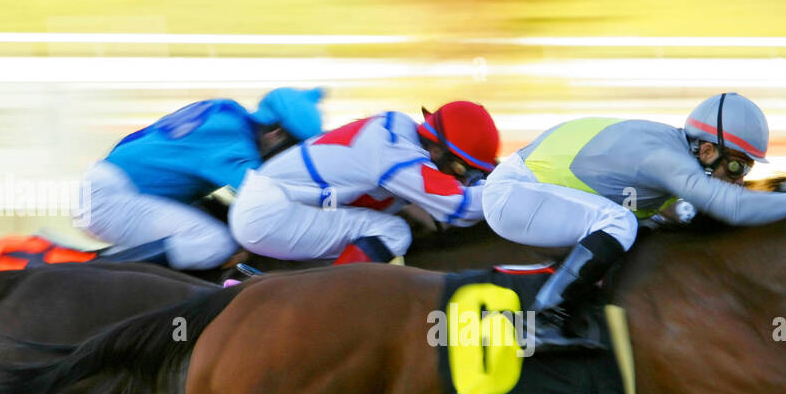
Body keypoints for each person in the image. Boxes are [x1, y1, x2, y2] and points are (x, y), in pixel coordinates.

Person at [482, 92, 786, 352]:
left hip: (536, 187)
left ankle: (575, 305)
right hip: (514, 196)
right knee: (620, 224)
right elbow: (733, 207)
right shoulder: (665, 157)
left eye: (748, 168)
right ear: (707, 150)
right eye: (738, 165)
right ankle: (541, 319)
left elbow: (688, 209)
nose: (741, 178)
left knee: (641, 225)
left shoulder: (675, 152)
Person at [75, 87, 325, 269]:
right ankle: (97, 271)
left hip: (113, 187)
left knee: (215, 218)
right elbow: (268, 200)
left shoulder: (228, 114)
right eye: (291, 150)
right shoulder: (235, 145)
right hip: (112, 201)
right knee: (215, 243)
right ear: (276, 134)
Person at [227, 101, 498, 265]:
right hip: (270, 214)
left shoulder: (399, 128)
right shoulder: (397, 156)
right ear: (438, 151)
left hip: (276, 201)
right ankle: (329, 303)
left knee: (379, 219)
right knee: (394, 232)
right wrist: (500, 187)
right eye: (462, 170)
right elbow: (460, 209)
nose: (463, 179)